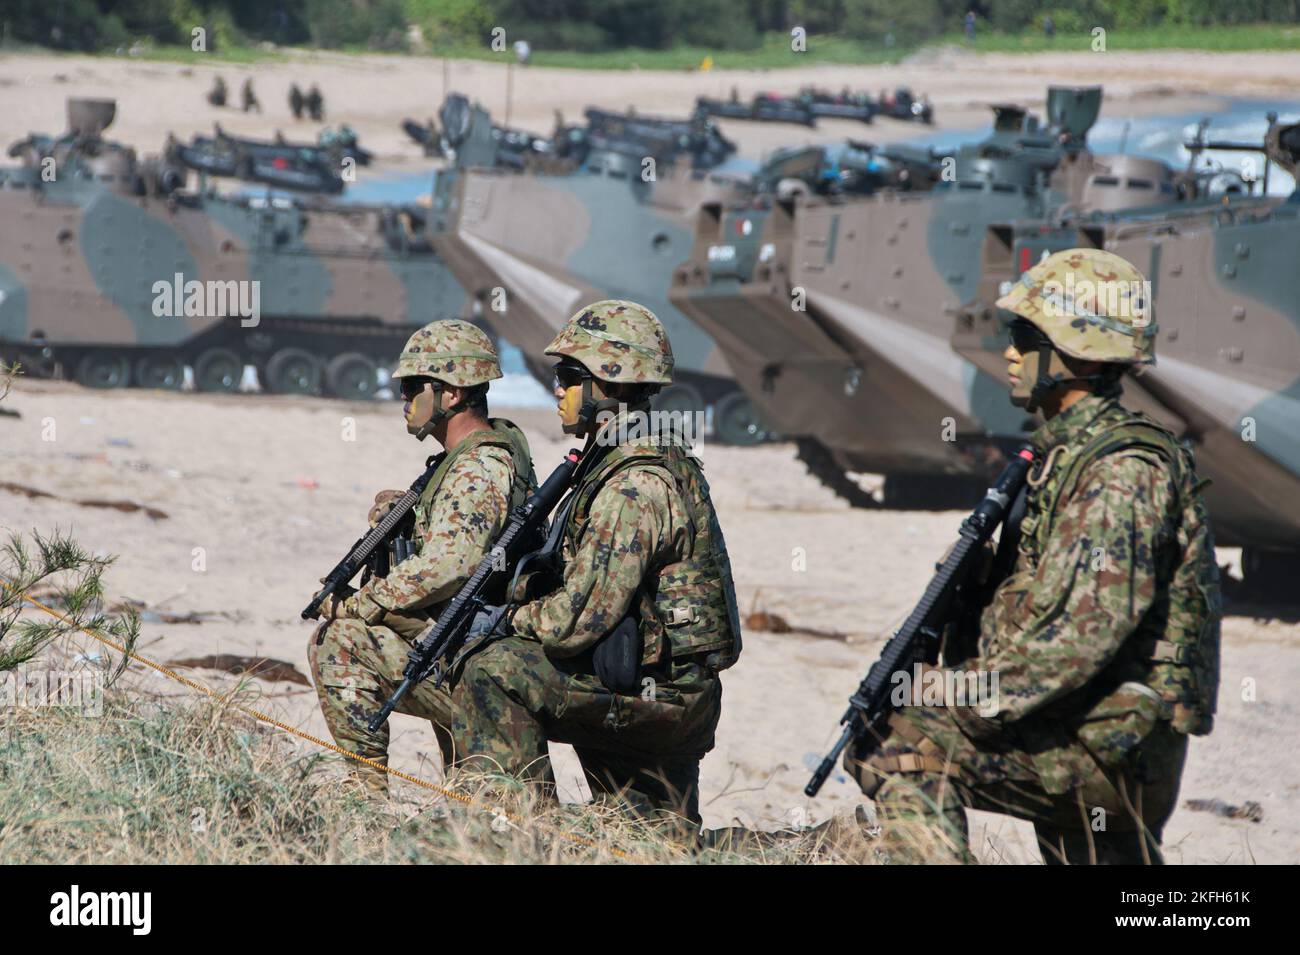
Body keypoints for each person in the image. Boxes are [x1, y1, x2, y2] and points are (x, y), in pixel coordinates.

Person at [844, 249, 1221, 864]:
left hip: (1109, 741)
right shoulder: (1065, 457)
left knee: (896, 735)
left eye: (1025, 337)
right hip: (1093, 727)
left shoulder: (1117, 474)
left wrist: (948, 689)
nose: (1010, 354)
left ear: (1073, 350)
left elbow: (1075, 644)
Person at [448, 300, 742, 827]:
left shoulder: (633, 485)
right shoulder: (615, 457)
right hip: (659, 686)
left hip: (663, 698)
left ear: (611, 384)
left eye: (568, 376)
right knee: (653, 843)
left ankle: (515, 835)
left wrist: (505, 620)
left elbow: (573, 624)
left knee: (492, 668)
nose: (556, 388)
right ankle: (836, 842)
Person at [307, 320, 536, 793]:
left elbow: (450, 564)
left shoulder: (479, 465)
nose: (404, 401)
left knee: (337, 642)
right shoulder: (468, 460)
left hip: (477, 655)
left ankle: (363, 802)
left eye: (413, 388)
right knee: (478, 804)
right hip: (470, 645)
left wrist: (362, 603)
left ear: (450, 394)